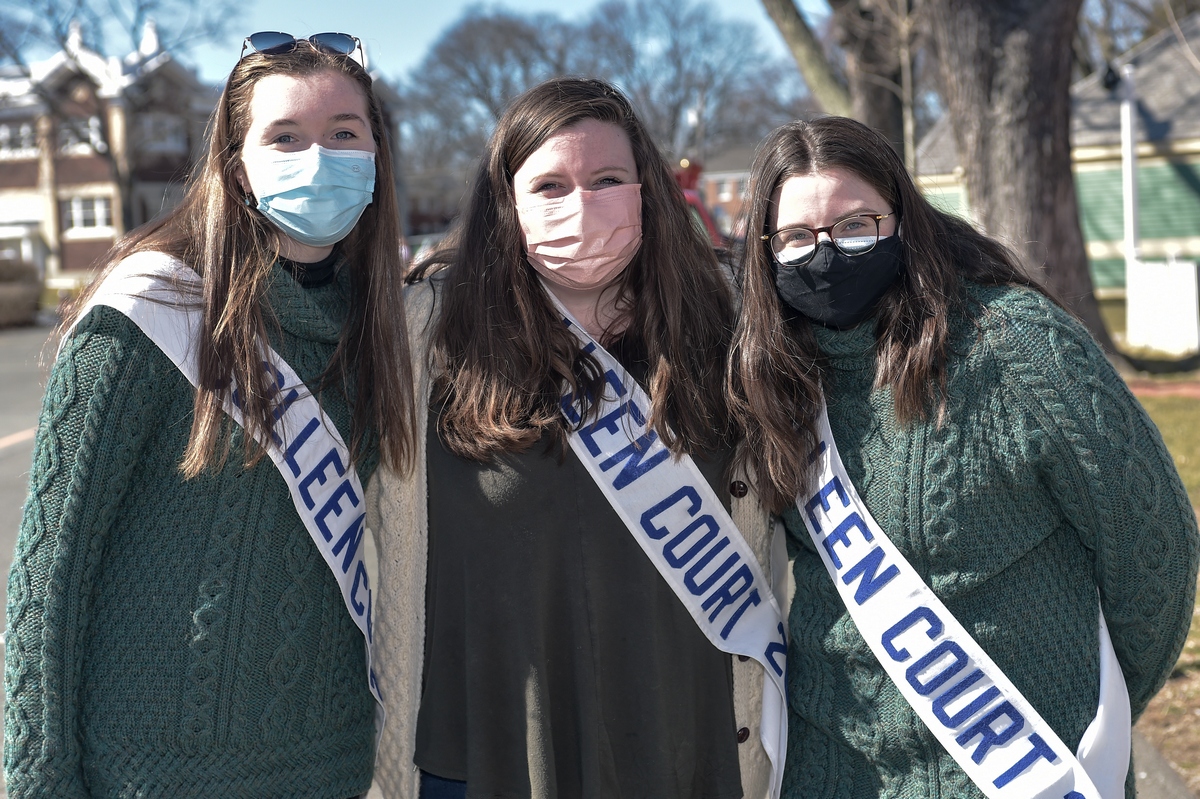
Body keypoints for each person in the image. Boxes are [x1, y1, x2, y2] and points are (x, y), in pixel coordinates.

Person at [728, 115, 1200, 799]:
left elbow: (1154, 552)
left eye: (857, 223)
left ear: (904, 220)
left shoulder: (1014, 348)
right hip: (833, 771)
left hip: (1023, 770)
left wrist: (1092, 701)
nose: (827, 253)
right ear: (764, 250)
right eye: (797, 237)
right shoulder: (775, 374)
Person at [4, 32, 415, 798]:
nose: (317, 157)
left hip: (328, 764)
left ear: (376, 158)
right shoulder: (148, 310)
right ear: (237, 165)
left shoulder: (380, 326)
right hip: (147, 774)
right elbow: (47, 585)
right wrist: (38, 780)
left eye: (344, 135)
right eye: (285, 136)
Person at [367, 77, 788, 799]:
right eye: (551, 185)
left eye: (607, 179)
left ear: (647, 190)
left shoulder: (728, 324)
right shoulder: (425, 330)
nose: (582, 205)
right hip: (483, 757)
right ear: (507, 204)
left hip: (692, 748)